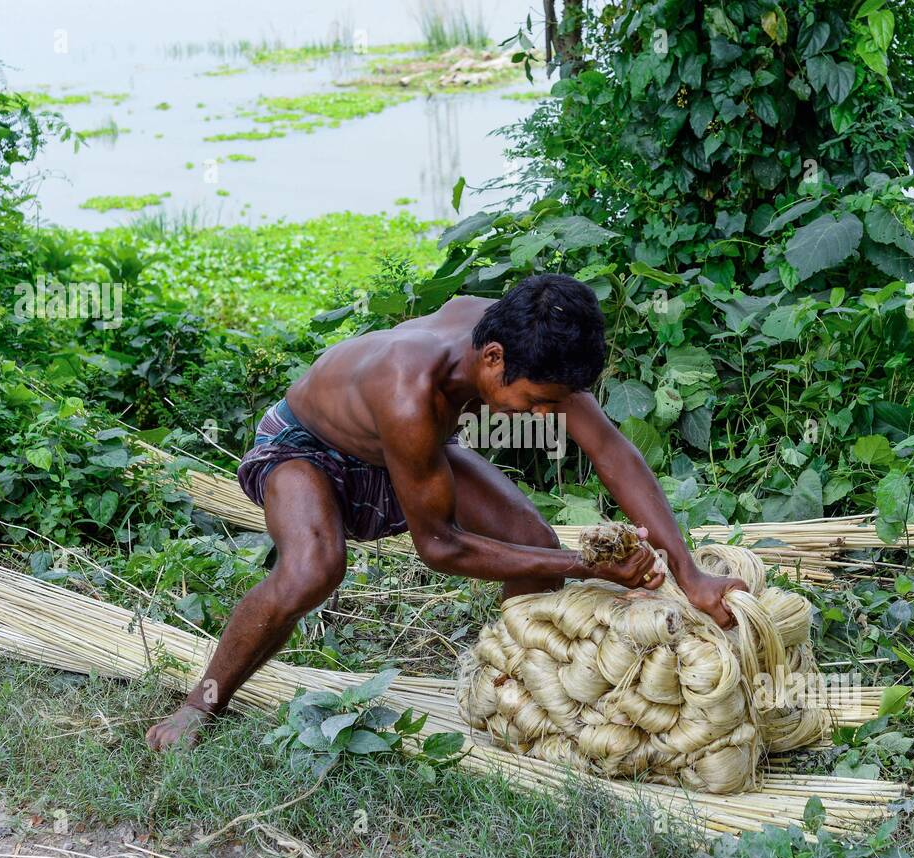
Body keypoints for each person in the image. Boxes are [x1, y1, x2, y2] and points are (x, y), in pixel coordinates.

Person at [147, 273, 746, 750]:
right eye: (538, 403)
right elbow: (440, 547)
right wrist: (588, 564)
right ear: (491, 360)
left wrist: (688, 572)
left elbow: (611, 449)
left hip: (412, 449)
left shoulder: (525, 331)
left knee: (530, 543)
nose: (545, 418)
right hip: (307, 447)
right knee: (313, 568)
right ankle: (203, 702)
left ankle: (519, 691)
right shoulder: (411, 386)